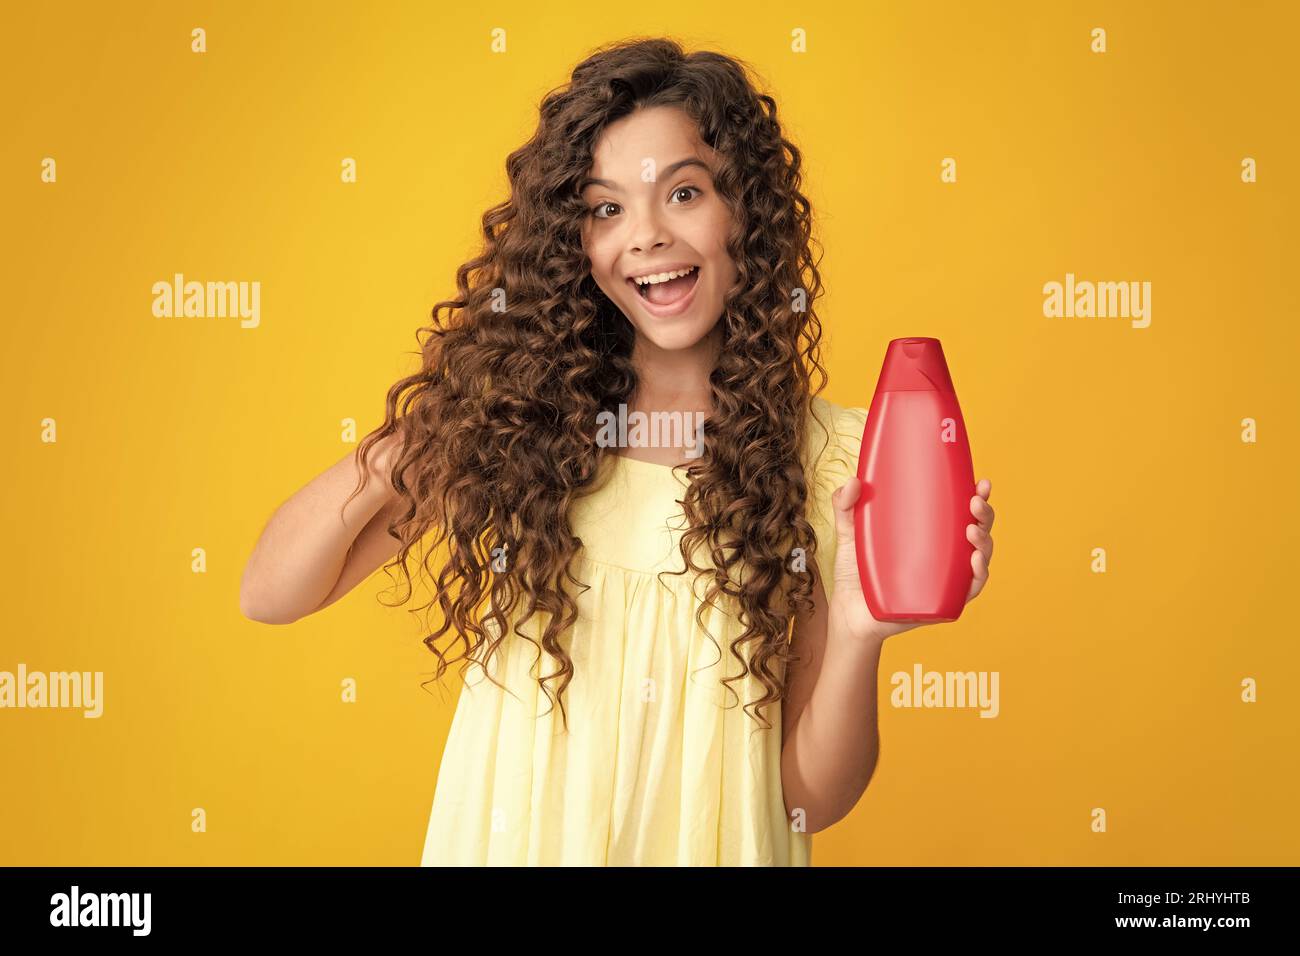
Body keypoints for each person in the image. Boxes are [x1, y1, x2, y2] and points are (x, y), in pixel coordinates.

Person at [240, 37, 997, 866]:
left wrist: (859, 634)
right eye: (606, 208)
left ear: (743, 209)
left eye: (683, 193)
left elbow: (807, 805)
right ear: (571, 244)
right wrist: (441, 414)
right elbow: (272, 593)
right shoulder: (521, 431)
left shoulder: (829, 461)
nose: (645, 236)